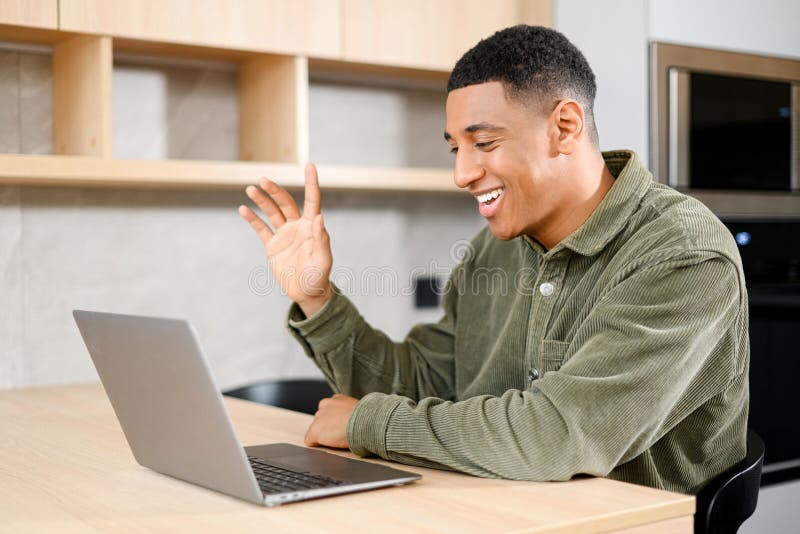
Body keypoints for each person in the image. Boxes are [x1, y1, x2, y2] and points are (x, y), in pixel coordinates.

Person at [238, 25, 749, 494]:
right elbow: (420, 385)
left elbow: (555, 435)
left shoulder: (683, 255)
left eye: (483, 143)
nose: (462, 174)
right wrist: (317, 298)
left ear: (565, 127)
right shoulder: (493, 248)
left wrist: (368, 424)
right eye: (455, 149)